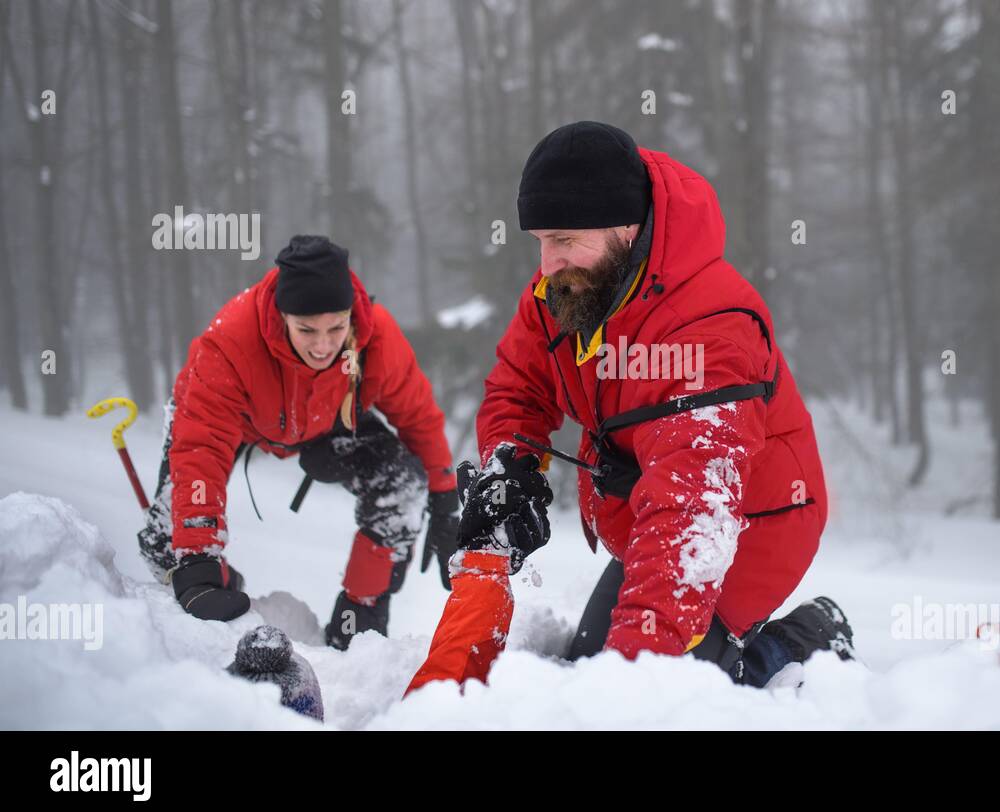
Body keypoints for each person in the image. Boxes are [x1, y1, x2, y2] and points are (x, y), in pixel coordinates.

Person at [455, 122, 854, 687]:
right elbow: (520, 387)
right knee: (586, 665)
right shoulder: (570, 288)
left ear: (625, 226)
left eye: (565, 239)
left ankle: (808, 637)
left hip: (747, 522)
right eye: (541, 240)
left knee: (673, 681)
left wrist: (630, 682)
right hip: (647, 512)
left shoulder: (712, 330)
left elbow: (692, 518)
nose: (546, 265)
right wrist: (513, 466)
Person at [137, 235, 461, 650]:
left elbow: (418, 416)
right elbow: (201, 445)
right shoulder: (232, 341)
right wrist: (198, 555)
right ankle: (200, 579)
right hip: (237, 421)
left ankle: (357, 622)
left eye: (336, 328)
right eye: (306, 330)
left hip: (327, 418)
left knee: (402, 487)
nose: (323, 345)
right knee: (176, 545)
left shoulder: (376, 338)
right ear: (282, 316)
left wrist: (444, 498)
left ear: (352, 316)